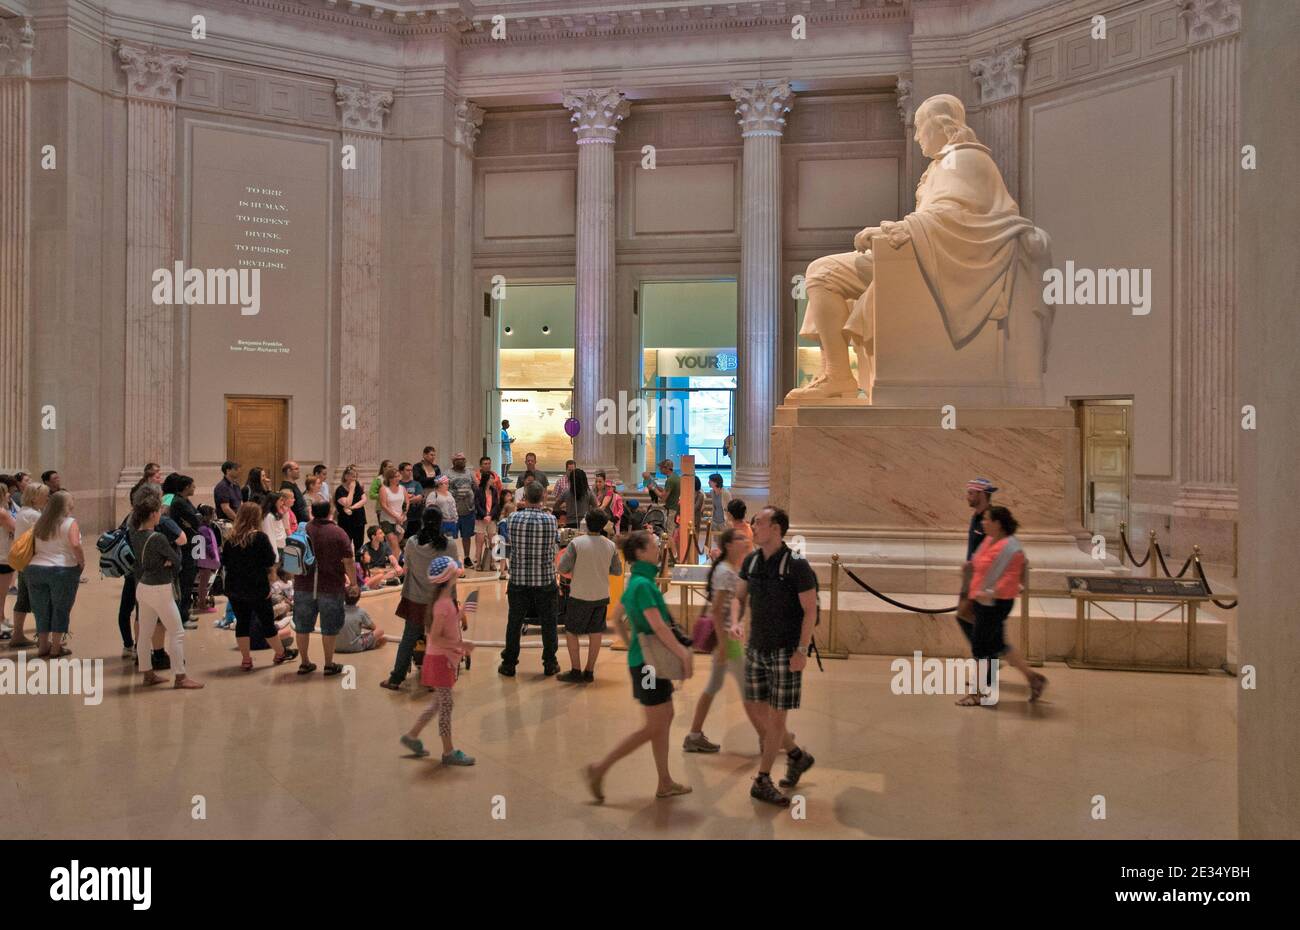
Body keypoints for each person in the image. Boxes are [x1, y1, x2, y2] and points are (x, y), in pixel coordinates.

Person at [583, 530, 693, 802]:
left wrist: (632, 642)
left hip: (646, 660)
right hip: (648, 665)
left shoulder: (638, 581)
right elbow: (658, 625)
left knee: (663, 719)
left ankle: (664, 781)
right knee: (653, 726)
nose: (659, 549)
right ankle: (600, 769)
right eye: (655, 545)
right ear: (641, 552)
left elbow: (618, 618)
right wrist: (683, 653)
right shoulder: (644, 585)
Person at [734, 506, 817, 807]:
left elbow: (810, 609)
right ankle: (796, 755)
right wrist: (734, 620)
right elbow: (739, 597)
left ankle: (763, 778)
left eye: (760, 523)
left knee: (776, 716)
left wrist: (801, 650)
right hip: (757, 646)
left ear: (777, 529)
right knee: (752, 706)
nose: (754, 527)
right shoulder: (753, 561)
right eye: (754, 522)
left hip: (786, 650)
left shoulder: (796, 565)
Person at [959, 505, 1048, 705]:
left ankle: (978, 694)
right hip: (983, 601)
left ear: (998, 524)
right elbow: (979, 564)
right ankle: (1033, 678)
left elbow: (1009, 581)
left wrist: (987, 593)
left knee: (980, 647)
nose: (983, 522)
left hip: (995, 604)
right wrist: (969, 571)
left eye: (987, 520)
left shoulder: (1011, 548)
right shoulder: (989, 541)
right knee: (999, 645)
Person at [683, 528, 755, 752]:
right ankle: (774, 736)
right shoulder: (726, 572)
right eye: (740, 538)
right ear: (729, 545)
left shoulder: (732, 569)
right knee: (749, 691)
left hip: (728, 639)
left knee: (715, 686)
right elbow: (716, 610)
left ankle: (694, 735)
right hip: (727, 640)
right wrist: (724, 644)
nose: (745, 540)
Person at [399, 556, 475, 765]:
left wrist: (459, 615)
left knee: (437, 704)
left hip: (443, 659)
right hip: (441, 660)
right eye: (455, 571)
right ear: (448, 577)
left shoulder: (445, 602)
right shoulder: (442, 605)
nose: (458, 573)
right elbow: (435, 637)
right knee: (445, 706)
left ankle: (412, 736)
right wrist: (461, 646)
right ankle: (448, 752)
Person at [128, 491, 203, 689]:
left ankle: (147, 673)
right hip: (159, 587)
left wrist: (168, 560)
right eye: (159, 511)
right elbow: (177, 562)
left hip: (143, 585)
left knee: (144, 633)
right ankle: (180, 676)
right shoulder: (158, 537)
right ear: (153, 514)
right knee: (177, 632)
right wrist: (169, 560)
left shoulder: (135, 534)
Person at [221, 501, 297, 671]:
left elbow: (224, 561)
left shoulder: (230, 539)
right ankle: (280, 653)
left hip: (234, 587)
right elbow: (270, 560)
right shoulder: (259, 538)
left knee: (242, 622)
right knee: (266, 621)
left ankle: (246, 659)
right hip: (257, 586)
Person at [381, 509, 449, 690]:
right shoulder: (448, 545)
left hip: (416, 599)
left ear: (422, 521)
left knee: (408, 638)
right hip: (438, 600)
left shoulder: (412, 543)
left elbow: (407, 569)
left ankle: (396, 678)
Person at [498, 481, 560, 677]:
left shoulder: (513, 518)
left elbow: (507, 543)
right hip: (544, 580)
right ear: (543, 496)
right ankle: (549, 662)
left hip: (518, 579)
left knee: (514, 622)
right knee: (549, 622)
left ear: (524, 496)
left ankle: (509, 663)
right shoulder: (551, 520)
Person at [292, 500, 360, 677]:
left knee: (302, 627)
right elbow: (348, 561)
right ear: (330, 511)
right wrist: (353, 583)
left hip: (303, 585)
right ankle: (329, 664)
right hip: (330, 586)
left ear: (312, 512)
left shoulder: (302, 530)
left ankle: (305, 662)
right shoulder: (338, 533)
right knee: (329, 627)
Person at [557, 510, 623, 683]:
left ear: (586, 522)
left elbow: (563, 568)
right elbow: (617, 570)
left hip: (579, 594)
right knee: (596, 632)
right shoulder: (610, 545)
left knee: (571, 631)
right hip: (601, 594)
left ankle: (575, 670)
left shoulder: (576, 543)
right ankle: (589, 671)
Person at [25, 490, 84, 659]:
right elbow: (75, 544)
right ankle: (56, 647)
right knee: (60, 608)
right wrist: (82, 562)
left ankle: (43, 645)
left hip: (35, 568)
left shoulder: (40, 522)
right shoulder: (70, 522)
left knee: (40, 608)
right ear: (66, 505)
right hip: (62, 569)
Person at [6, 482, 48, 650]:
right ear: (35, 497)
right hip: (34, 561)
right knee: (40, 601)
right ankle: (43, 638)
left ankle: (17, 634)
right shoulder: (34, 515)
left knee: (23, 599)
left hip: (25, 562)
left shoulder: (24, 512)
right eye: (44, 496)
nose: (46, 499)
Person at [956, 477, 996, 649]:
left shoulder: (990, 519)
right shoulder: (976, 517)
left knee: (979, 623)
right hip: (973, 577)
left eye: (971, 493)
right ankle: (990, 655)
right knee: (964, 617)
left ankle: (990, 659)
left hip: (984, 580)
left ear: (982, 494)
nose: (968, 496)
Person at [163, 473, 202, 629]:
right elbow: (167, 516)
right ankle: (181, 615)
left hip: (192, 543)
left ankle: (185, 612)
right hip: (183, 545)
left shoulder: (181, 499)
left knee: (190, 577)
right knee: (184, 580)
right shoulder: (170, 499)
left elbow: (196, 517)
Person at [445, 452, 478, 565]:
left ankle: (467, 557)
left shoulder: (469, 472)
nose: (462, 461)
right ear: (454, 461)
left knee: (467, 536)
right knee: (451, 537)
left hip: (468, 510)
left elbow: (476, 486)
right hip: (453, 511)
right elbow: (445, 489)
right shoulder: (448, 473)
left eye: (463, 459)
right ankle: (453, 557)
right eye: (459, 459)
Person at [474, 456, 504, 569]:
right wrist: (484, 515)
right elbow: (477, 504)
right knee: (479, 541)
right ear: (486, 480)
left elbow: (496, 504)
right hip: (481, 518)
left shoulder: (494, 491)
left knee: (492, 541)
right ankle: (478, 563)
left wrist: (490, 515)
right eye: (491, 479)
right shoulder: (479, 491)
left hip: (491, 519)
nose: (493, 480)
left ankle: (491, 562)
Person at [193, 504, 221, 614]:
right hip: (206, 560)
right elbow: (208, 544)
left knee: (204, 583)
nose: (214, 516)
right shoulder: (204, 529)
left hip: (206, 560)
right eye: (212, 514)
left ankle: (202, 603)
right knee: (204, 584)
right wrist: (215, 556)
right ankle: (202, 605)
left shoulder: (205, 528)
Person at [333, 464, 367, 554]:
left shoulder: (358, 486)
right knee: (346, 545)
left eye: (355, 477)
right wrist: (351, 490)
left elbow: (364, 500)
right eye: (352, 476)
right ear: (346, 476)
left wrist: (352, 507)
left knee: (359, 545)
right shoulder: (340, 490)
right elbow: (347, 502)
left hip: (359, 519)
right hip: (346, 522)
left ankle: (358, 565)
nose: (354, 479)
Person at [377, 465, 408, 558]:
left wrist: (403, 515)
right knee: (393, 542)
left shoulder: (402, 488)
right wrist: (396, 516)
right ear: (390, 478)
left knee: (395, 543)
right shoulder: (384, 489)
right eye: (395, 476)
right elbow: (383, 505)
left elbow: (407, 502)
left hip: (401, 520)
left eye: (398, 476)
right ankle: (396, 567)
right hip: (387, 520)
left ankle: (389, 560)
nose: (398, 478)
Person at [559, 467, 595, 531]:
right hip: (585, 525)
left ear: (572, 480)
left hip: (569, 525)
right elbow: (596, 509)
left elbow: (556, 506)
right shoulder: (589, 492)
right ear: (584, 480)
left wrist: (563, 512)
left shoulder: (566, 492)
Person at [260, 490, 290, 555]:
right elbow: (269, 535)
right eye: (281, 500)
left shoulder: (276, 514)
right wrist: (275, 554)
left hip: (281, 546)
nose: (283, 503)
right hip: (276, 548)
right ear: (274, 502)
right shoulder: (268, 517)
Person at [707, 473, 730, 539]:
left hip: (724, 522)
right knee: (717, 541)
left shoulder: (726, 493)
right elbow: (714, 507)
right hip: (715, 521)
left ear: (716, 482)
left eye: (710, 481)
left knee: (724, 541)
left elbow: (731, 507)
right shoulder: (712, 492)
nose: (708, 482)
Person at [660, 459, 681, 529]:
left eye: (661, 467)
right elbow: (670, 492)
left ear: (666, 468)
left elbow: (663, 498)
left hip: (671, 509)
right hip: (675, 508)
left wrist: (653, 488)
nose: (660, 469)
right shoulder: (675, 476)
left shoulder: (670, 480)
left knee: (669, 532)